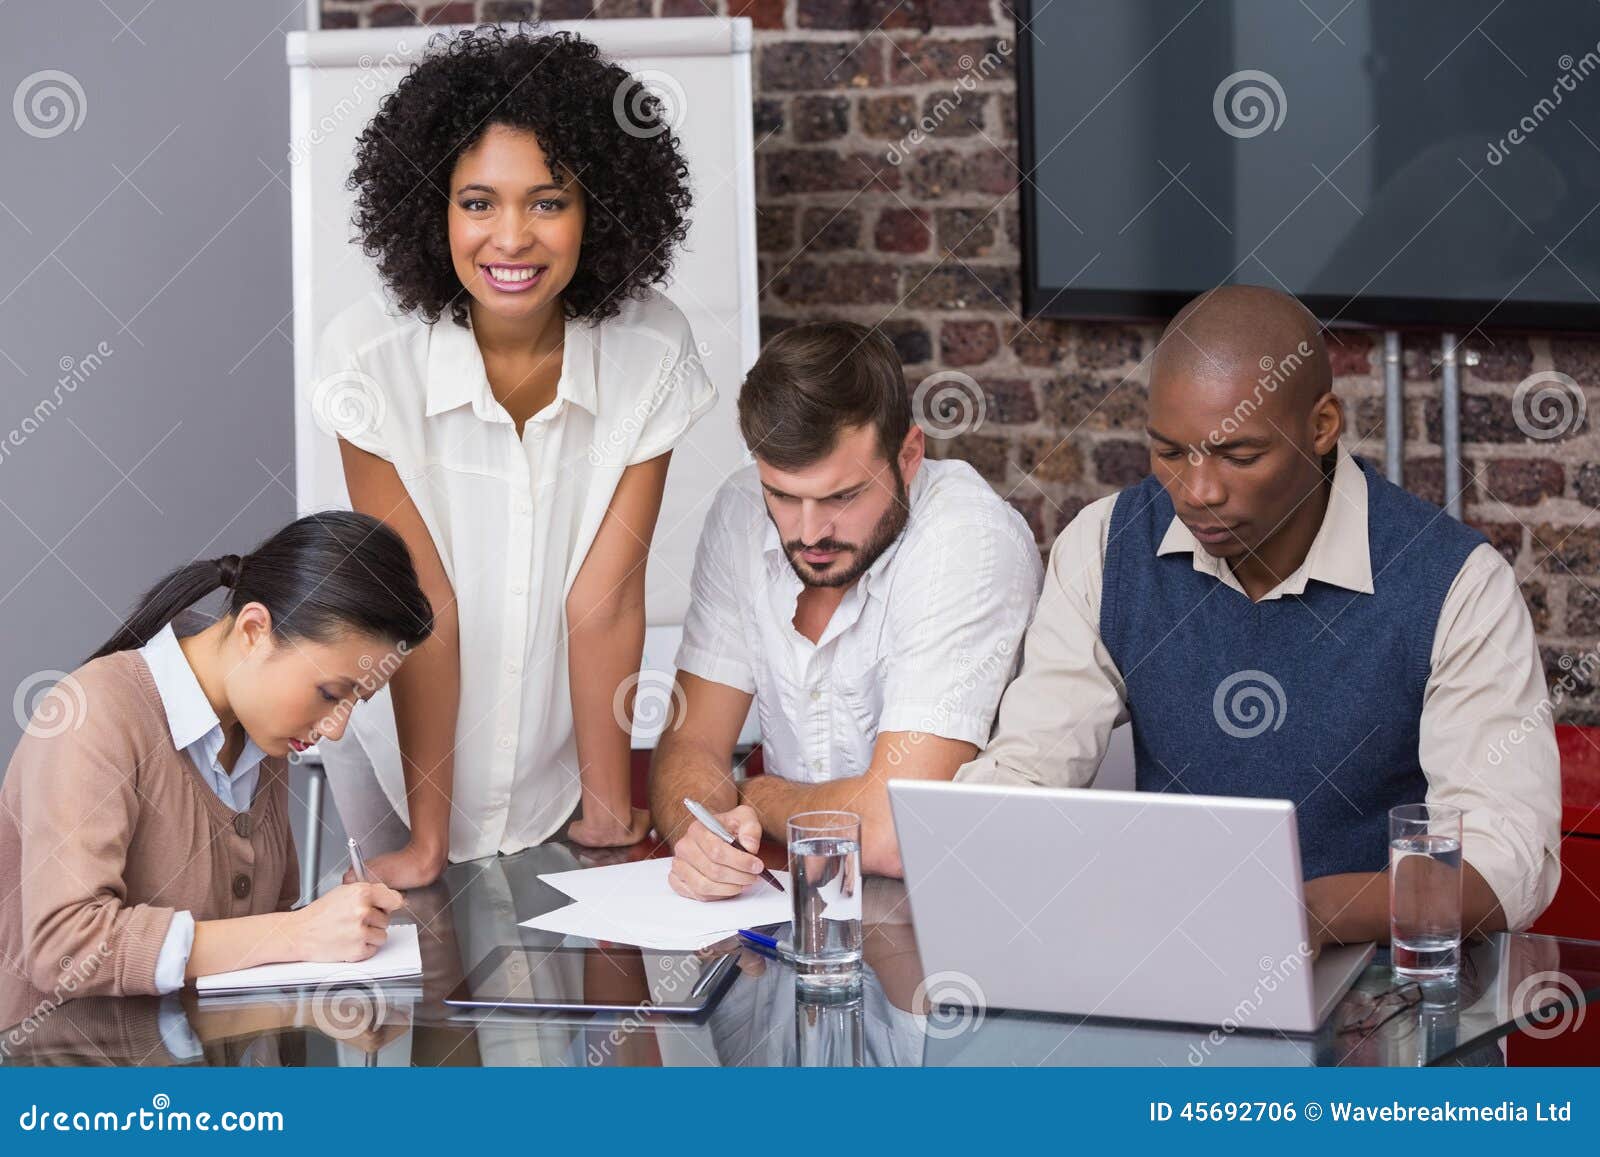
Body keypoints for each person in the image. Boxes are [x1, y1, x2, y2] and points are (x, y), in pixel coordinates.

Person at [957, 284, 1562, 944]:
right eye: (1168, 452)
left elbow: (1504, 861)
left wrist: (1308, 914)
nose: (1198, 491)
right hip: (1176, 967)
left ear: (1322, 426)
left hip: (1384, 991)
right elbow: (1025, 772)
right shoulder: (1104, 547)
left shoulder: (1457, 585)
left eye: (1239, 455)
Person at [308, 27, 716, 887]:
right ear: (433, 209)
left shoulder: (652, 352)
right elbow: (428, 609)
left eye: (548, 201)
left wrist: (609, 803)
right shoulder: (368, 358)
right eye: (478, 202)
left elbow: (602, 602)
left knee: (559, 1002)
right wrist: (425, 841)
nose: (512, 238)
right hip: (397, 764)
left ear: (597, 208)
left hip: (555, 767)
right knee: (425, 1005)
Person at [649, 321, 1043, 899]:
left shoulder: (969, 540)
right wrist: (704, 836)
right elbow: (691, 747)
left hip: (962, 911)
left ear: (908, 456)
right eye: (783, 496)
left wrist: (759, 797)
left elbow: (892, 831)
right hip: (795, 905)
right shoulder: (739, 509)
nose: (810, 532)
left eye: (842, 496)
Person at [0, 512, 429, 1031]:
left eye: (356, 703)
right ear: (254, 630)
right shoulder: (95, 715)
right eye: (331, 694)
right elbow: (64, 947)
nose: (335, 728)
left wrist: (333, 962)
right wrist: (296, 934)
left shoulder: (259, 731)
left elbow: (256, 933)